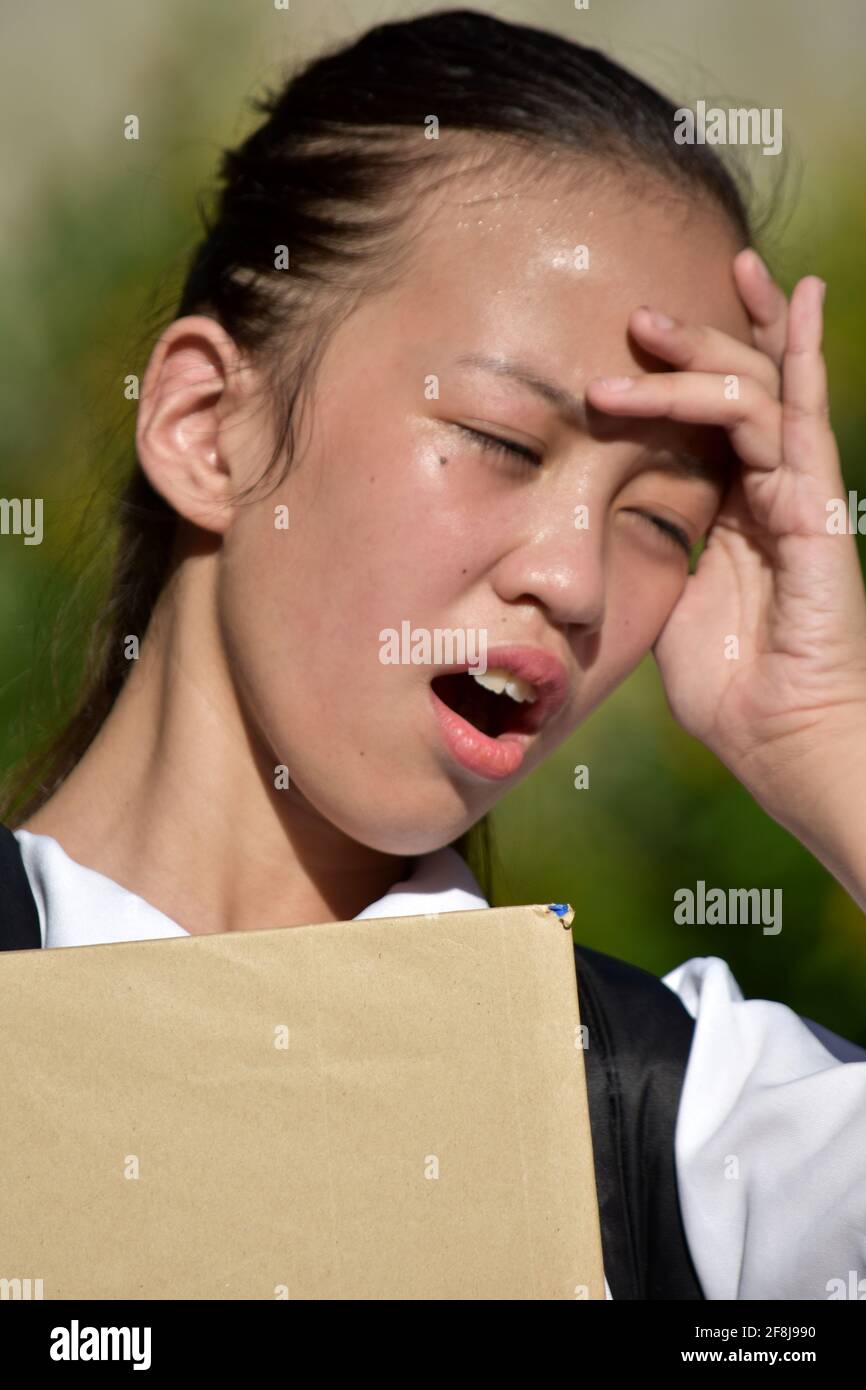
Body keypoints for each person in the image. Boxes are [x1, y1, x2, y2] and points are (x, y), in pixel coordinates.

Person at [1, 9, 864, 1301]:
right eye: (502, 439)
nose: (572, 580)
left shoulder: (678, 1129)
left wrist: (829, 730)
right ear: (201, 425)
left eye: (658, 523)